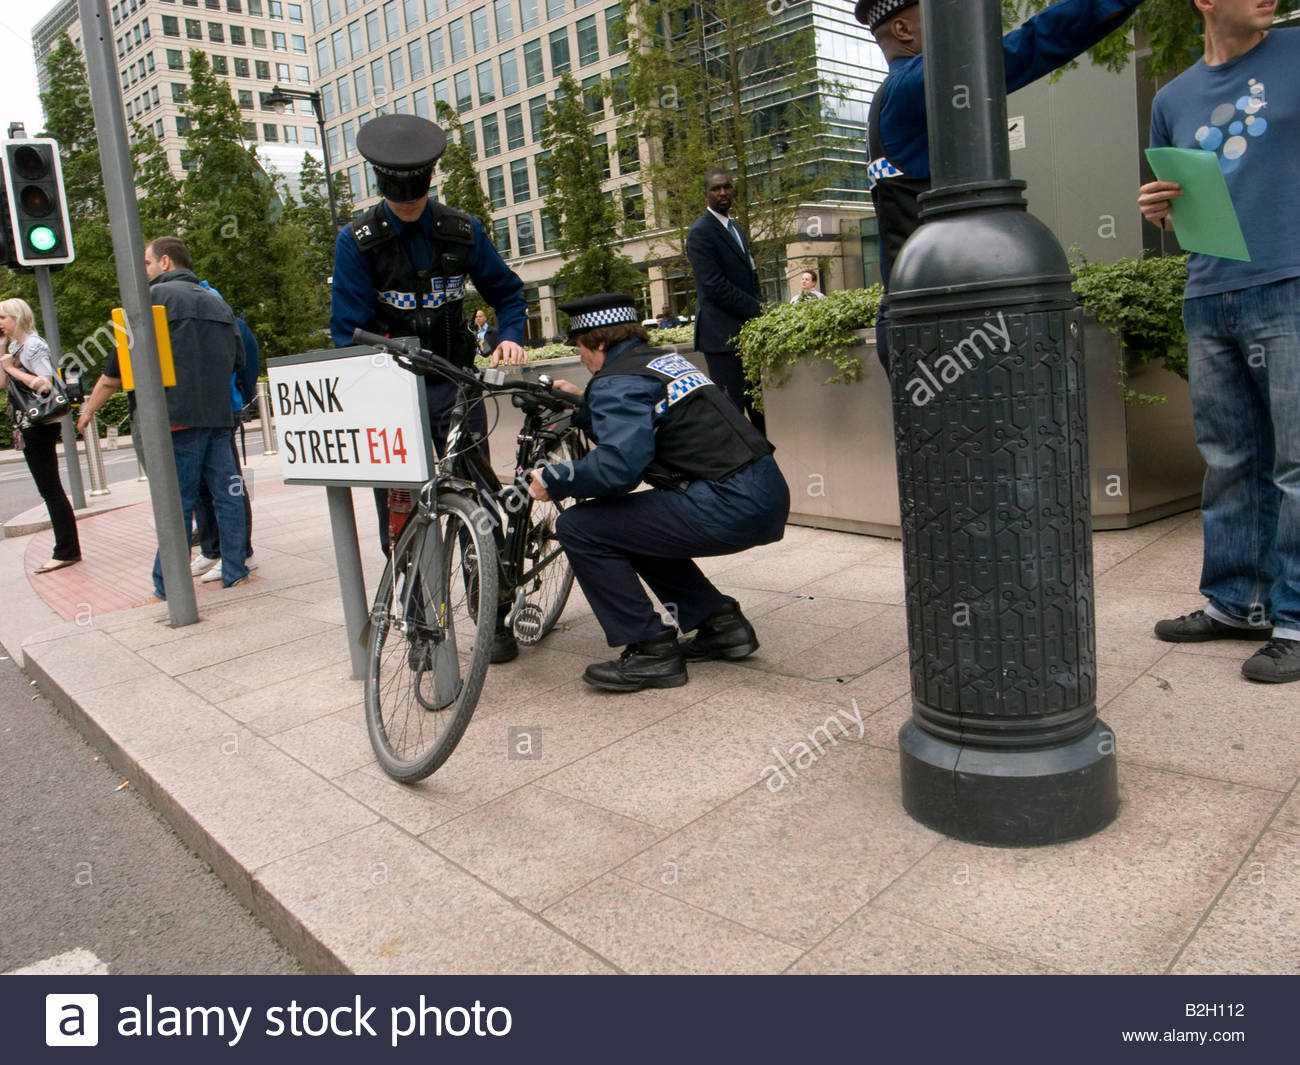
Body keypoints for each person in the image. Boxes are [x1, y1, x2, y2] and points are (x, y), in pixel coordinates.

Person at [1137, 0, 1300, 684]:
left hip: (1291, 279)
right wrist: (1158, 209)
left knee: (1296, 463)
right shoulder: (1172, 98)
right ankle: (1238, 602)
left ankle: (1294, 617)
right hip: (1208, 290)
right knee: (1228, 455)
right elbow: (1177, 206)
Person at [330, 112, 528, 664]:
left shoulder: (460, 232)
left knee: (478, 499)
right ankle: (422, 628)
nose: (408, 207)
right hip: (392, 393)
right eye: (399, 199)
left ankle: (493, 614)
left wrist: (509, 337)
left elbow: (508, 293)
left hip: (455, 383)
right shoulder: (358, 242)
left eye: (416, 197)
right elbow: (345, 332)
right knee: (401, 510)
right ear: (382, 183)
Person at [858, 0, 1149, 366]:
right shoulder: (914, 87)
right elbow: (1023, 48)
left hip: (916, 312)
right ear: (903, 30)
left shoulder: (887, 99)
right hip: (935, 319)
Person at [527, 294, 790, 693]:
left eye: (579, 346)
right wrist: (584, 404)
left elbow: (619, 470)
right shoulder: (659, 362)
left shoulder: (618, 380)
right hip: (760, 492)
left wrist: (555, 477)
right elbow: (644, 418)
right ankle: (720, 626)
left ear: (598, 343)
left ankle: (651, 651)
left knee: (580, 526)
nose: (579, 356)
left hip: (727, 502)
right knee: (629, 526)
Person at [76, 237, 249, 597]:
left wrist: (89, 409)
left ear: (165, 262)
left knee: (177, 501)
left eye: (146, 263)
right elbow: (239, 360)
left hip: (175, 419)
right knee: (228, 494)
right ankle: (235, 569)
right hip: (218, 416)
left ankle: (166, 584)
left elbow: (114, 372)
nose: (144, 271)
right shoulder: (219, 303)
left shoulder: (151, 299)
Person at [0, 298, 80, 573]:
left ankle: (66, 550)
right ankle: (66, 548)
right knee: (48, 489)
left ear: (17, 317)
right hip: (28, 426)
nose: (0, 323)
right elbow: (3, 383)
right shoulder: (14, 346)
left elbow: (45, 385)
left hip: (40, 426)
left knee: (51, 489)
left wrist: (12, 369)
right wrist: (4, 356)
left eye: (3, 318)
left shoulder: (34, 346)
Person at [685, 167, 766, 435]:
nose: (723, 193)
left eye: (727, 187)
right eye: (716, 188)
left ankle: (765, 468)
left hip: (746, 336)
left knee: (759, 410)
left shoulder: (736, 228)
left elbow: (748, 276)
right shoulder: (700, 232)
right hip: (722, 339)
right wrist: (758, 310)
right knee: (732, 416)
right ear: (706, 193)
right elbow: (714, 286)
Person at [191, 289, 259, 583]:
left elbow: (246, 361)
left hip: (220, 411)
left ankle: (238, 551)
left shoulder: (219, 313)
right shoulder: (210, 309)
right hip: (210, 410)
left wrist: (238, 399)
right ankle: (214, 549)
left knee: (227, 486)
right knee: (207, 488)